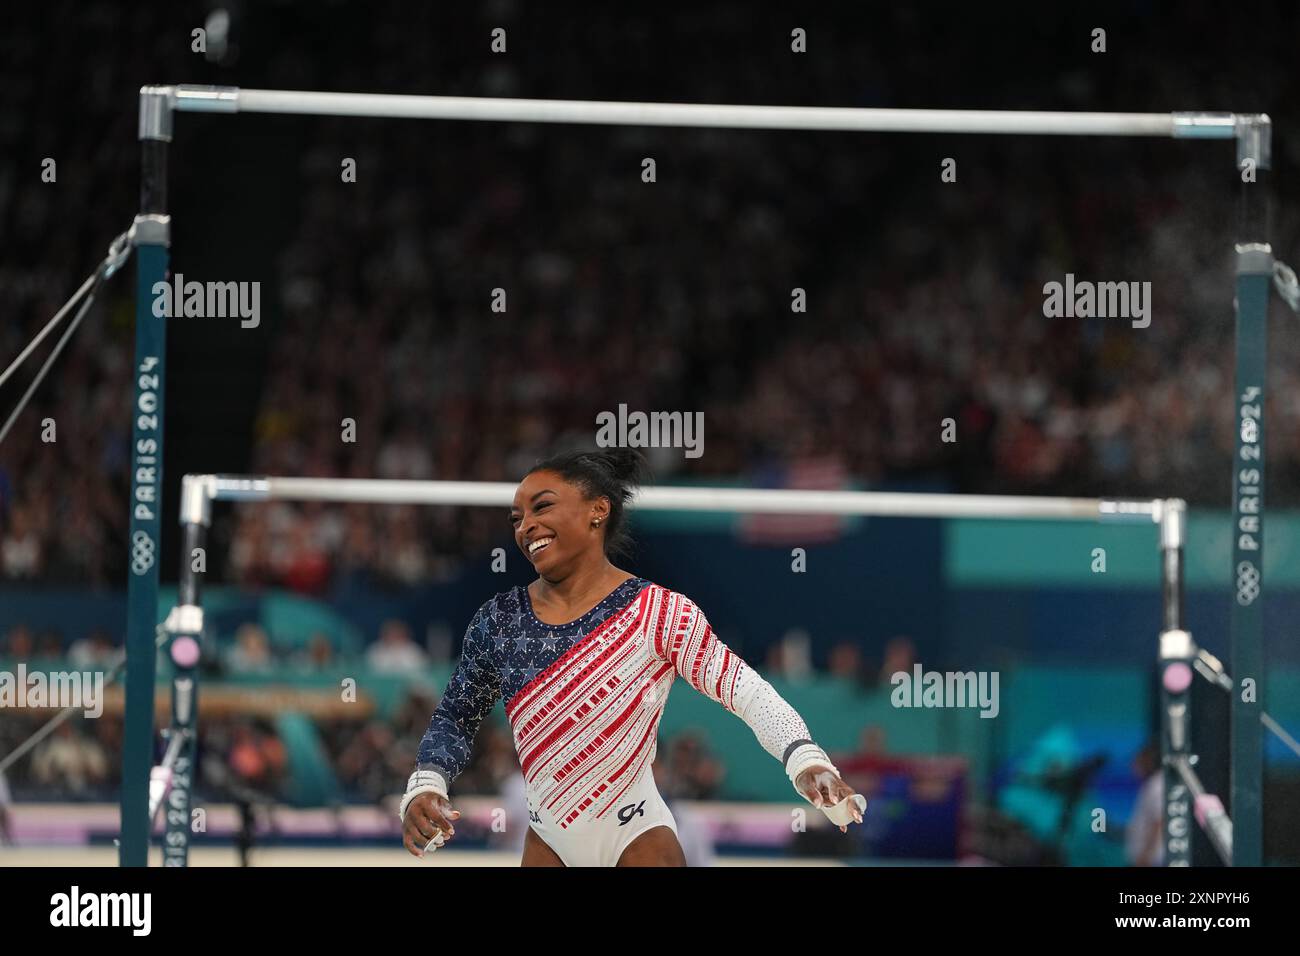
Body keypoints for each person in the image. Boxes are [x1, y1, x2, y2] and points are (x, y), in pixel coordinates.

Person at [400, 448, 864, 866]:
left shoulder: (658, 612)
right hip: (547, 842)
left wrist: (806, 760)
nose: (526, 527)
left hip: (637, 836)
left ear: (598, 510)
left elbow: (745, 691)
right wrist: (427, 784)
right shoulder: (499, 619)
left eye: (542, 507)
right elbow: (456, 718)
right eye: (517, 518)